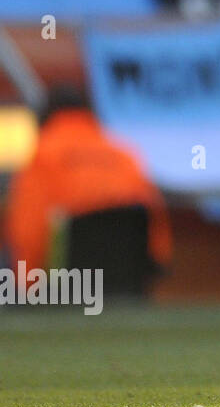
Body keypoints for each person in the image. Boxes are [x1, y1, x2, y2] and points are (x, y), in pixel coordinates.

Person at [5, 85, 172, 277]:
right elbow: (155, 232)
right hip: (125, 284)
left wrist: (28, 287)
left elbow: (27, 234)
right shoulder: (126, 157)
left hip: (64, 288)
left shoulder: (42, 158)